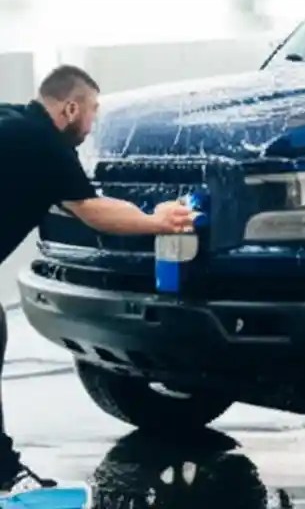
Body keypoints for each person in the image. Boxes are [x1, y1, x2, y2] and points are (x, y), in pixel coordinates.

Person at [0, 65, 194, 494]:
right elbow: (93, 210)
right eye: (92, 112)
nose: (91, 126)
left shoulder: (13, 121)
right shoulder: (46, 145)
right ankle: (4, 475)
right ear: (71, 109)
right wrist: (157, 221)